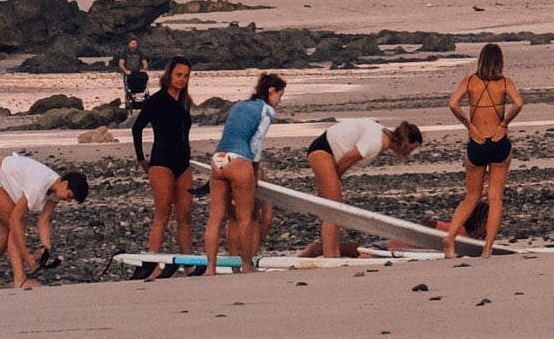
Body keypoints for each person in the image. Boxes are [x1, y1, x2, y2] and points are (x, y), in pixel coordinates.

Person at [299, 117, 424, 259]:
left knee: (336, 208)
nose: (409, 154)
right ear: (406, 142)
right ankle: (329, 256)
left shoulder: (383, 134)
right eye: (411, 149)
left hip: (329, 150)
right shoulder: (376, 141)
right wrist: (333, 180)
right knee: (332, 209)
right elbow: (348, 158)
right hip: (323, 150)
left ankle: (334, 253)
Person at [444, 42, 524, 256]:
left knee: (471, 197)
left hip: (476, 143)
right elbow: (518, 103)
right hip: (498, 143)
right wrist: (504, 124)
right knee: (495, 197)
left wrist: (469, 126)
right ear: (500, 62)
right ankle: (487, 248)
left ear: (480, 60)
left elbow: (453, 104)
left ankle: (450, 239)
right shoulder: (506, 83)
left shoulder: (469, 81)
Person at [0, 152, 88, 289]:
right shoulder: (40, 184)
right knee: (17, 225)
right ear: (64, 184)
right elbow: (16, 219)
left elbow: (44, 220)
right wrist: (26, 256)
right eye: (69, 195)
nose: (67, 199)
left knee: (5, 233)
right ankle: (20, 279)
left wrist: (46, 248)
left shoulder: (55, 190)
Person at [204, 72, 283, 275]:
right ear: (271, 91)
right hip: (239, 160)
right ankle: (247, 265)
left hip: (218, 159)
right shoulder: (266, 110)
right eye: (279, 96)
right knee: (245, 218)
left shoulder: (240, 105)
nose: (279, 102)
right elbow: (256, 141)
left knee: (216, 217)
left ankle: (211, 268)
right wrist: (255, 170)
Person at [130, 57, 195, 277]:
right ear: (169, 75)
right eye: (178, 75)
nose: (182, 79)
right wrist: (141, 159)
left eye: (186, 76)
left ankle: (189, 264)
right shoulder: (156, 100)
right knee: (163, 214)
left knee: (185, 216)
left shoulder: (184, 101)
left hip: (183, 164)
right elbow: (137, 128)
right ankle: (151, 263)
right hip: (161, 163)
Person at [117, 38, 150, 107]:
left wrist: (144, 69)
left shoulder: (139, 52)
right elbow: (121, 63)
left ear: (136, 44)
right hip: (128, 72)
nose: (133, 45)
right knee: (128, 87)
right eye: (132, 44)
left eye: (134, 44)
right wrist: (125, 70)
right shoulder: (125, 52)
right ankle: (128, 101)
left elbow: (144, 62)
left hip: (137, 72)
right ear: (129, 44)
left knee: (143, 80)